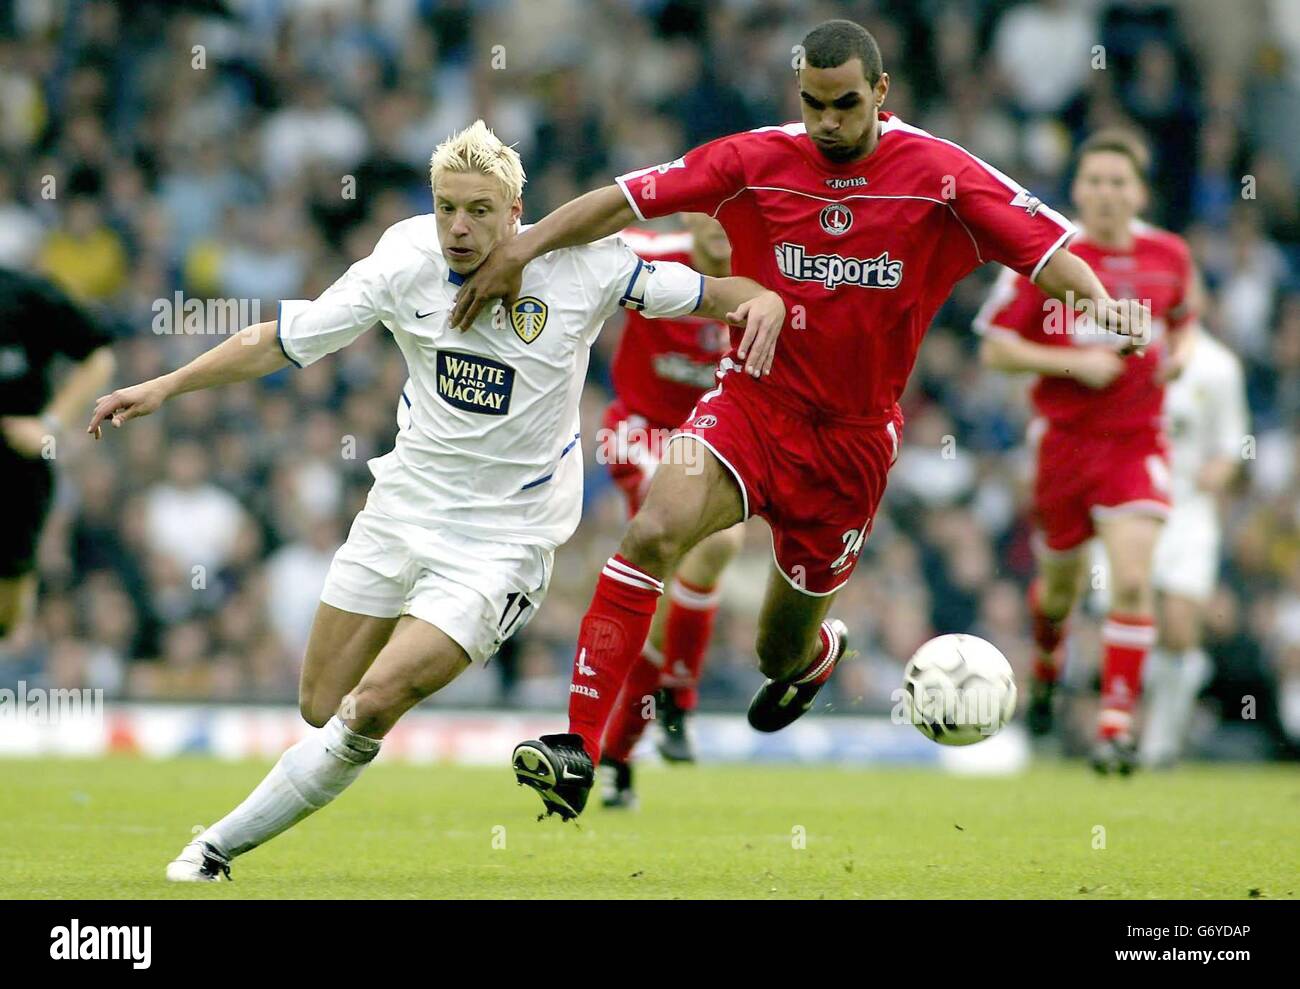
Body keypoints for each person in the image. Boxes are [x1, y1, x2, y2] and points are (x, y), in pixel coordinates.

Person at [450, 20, 1146, 820]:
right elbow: (623, 199)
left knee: (777, 650)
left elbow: (1043, 249)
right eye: (813, 104)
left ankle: (815, 660)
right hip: (753, 402)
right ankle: (581, 748)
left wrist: (1100, 305)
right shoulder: (754, 157)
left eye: (846, 104)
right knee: (653, 531)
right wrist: (522, 248)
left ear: (881, 94)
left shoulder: (942, 175)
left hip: (852, 446)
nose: (827, 122)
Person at [86, 120, 784, 881]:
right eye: (447, 205)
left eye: (480, 210)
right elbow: (286, 338)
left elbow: (726, 295)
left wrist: (767, 303)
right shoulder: (403, 257)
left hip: (502, 543)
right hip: (401, 509)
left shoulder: (590, 265)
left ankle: (211, 851)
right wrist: (165, 385)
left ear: (518, 212)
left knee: (374, 702)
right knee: (322, 702)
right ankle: (256, 814)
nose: (459, 225)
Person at [975, 129, 1198, 774]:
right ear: (1077, 190)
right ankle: (1048, 669)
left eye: (1117, 182)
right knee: (1058, 593)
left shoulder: (1168, 255)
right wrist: (1074, 365)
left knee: (1131, 579)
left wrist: (1179, 359)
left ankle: (1115, 727)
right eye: (1093, 181)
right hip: (1064, 448)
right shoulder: (1049, 256)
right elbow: (993, 348)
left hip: (1136, 442)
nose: (1104, 194)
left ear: (1138, 192)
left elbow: (1184, 320)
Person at [597, 215, 746, 809]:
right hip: (638, 434)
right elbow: (573, 245)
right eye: (711, 209)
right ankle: (681, 696)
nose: (723, 227)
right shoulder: (650, 254)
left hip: (714, 441)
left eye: (734, 211)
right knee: (720, 544)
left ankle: (617, 756)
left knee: (659, 607)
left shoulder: (766, 276)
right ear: (687, 214)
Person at [1141, 325, 1249, 767]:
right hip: (1135, 500)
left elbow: (1234, 445)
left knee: (1181, 628)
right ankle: (1123, 725)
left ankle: (1161, 741)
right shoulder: (1130, 344)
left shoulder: (1218, 364)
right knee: (1138, 620)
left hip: (1189, 511)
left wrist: (1218, 473)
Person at [0, 267, 115, 638]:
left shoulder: (25, 294)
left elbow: (99, 358)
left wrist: (51, 423)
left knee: (8, 601)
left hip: (15, 468)